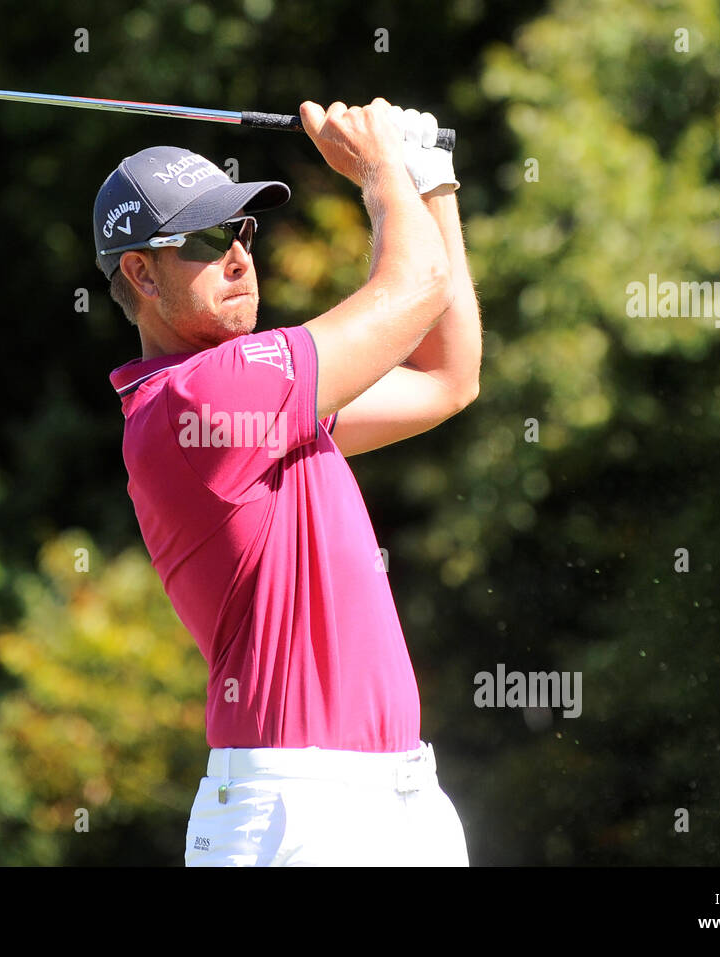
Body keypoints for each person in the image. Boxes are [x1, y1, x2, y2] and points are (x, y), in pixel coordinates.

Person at [93, 99, 481, 866]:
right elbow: (416, 282)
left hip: (401, 789)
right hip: (296, 806)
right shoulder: (200, 400)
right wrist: (379, 172)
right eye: (206, 240)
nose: (240, 257)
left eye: (242, 232)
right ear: (139, 271)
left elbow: (446, 378)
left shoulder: (258, 404)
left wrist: (431, 180)